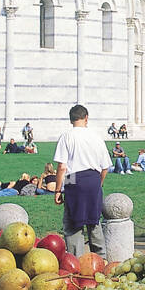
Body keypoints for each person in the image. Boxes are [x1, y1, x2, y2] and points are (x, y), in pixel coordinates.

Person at [54, 104, 113, 256]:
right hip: (93, 177)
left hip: (72, 177)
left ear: (71, 119)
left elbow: (62, 166)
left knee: (72, 221)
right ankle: (101, 258)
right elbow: (105, 166)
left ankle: (76, 260)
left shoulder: (66, 136)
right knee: (94, 220)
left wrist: (58, 190)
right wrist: (98, 183)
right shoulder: (96, 137)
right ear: (86, 118)